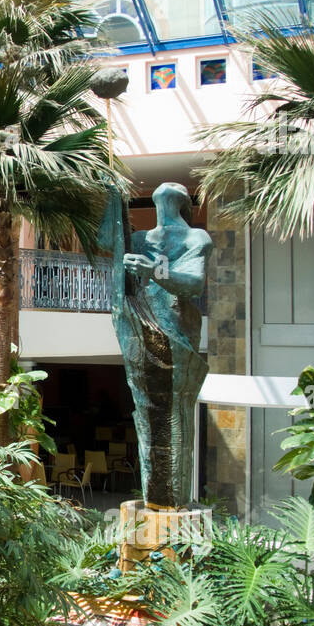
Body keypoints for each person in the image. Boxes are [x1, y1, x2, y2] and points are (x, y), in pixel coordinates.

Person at [98, 182, 212, 510]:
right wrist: (113, 196)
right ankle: (157, 498)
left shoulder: (196, 238)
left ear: (184, 202)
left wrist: (155, 269)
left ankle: (172, 497)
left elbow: (193, 283)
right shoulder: (141, 239)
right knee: (148, 405)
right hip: (142, 327)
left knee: (172, 408)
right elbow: (107, 242)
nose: (165, 189)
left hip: (175, 331)